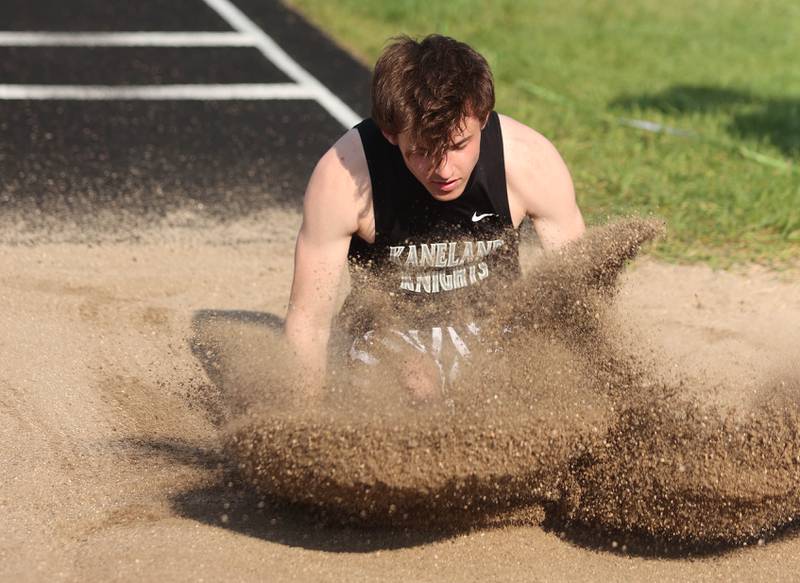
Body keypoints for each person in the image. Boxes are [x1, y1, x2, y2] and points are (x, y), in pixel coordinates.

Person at [283, 34, 585, 400]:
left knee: (511, 385)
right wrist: (302, 422)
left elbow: (581, 298)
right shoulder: (344, 176)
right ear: (391, 133)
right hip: (388, 335)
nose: (443, 170)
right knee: (416, 386)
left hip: (494, 327)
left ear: (482, 118)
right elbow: (309, 323)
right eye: (422, 151)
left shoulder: (529, 162)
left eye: (458, 146)